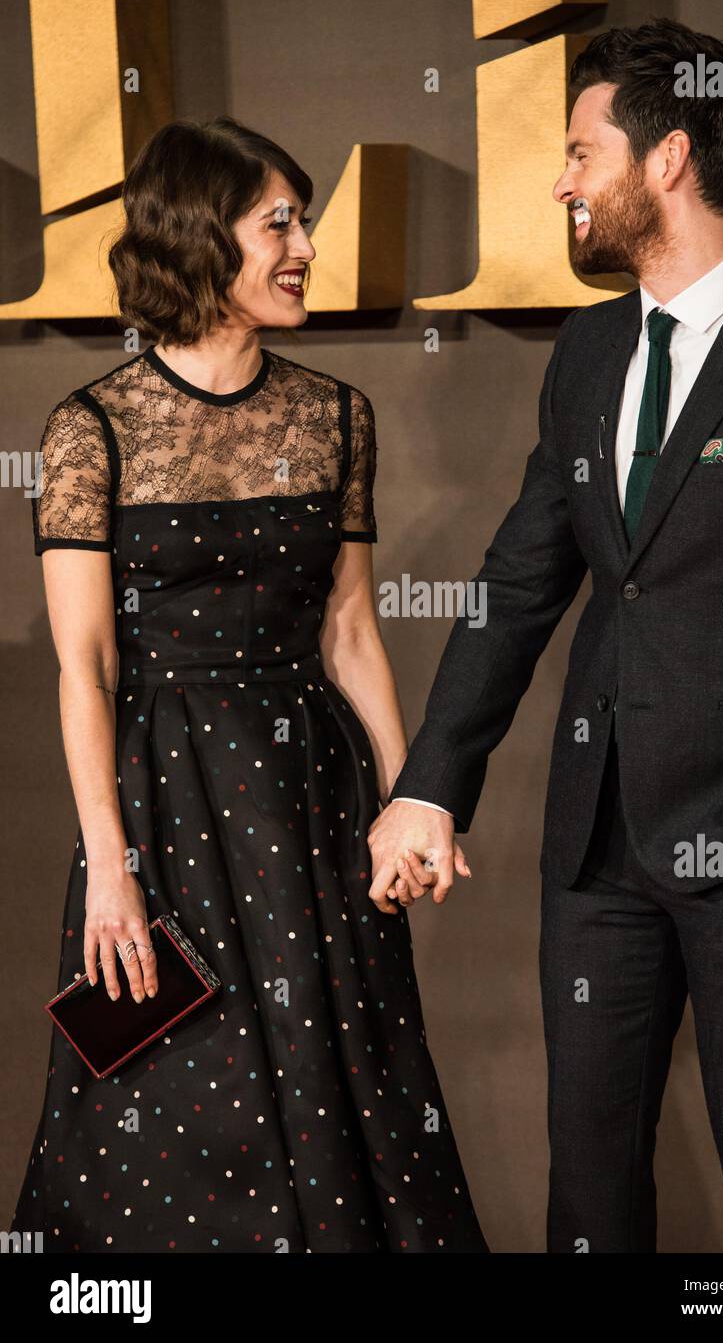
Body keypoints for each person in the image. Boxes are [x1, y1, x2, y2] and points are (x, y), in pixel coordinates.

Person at [369, 19, 723, 1253]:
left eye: (579, 151)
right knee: (587, 1192)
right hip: (595, 852)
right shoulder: (588, 354)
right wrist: (431, 786)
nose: (559, 181)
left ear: (667, 160)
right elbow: (517, 585)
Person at [12, 116, 488, 1254]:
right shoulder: (93, 431)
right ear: (196, 236)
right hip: (160, 811)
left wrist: (405, 802)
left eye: (303, 220)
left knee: (353, 1079)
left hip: (309, 798)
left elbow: (350, 630)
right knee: (166, 1111)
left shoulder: (332, 416)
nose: (305, 245)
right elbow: (84, 666)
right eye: (278, 220)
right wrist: (111, 876)